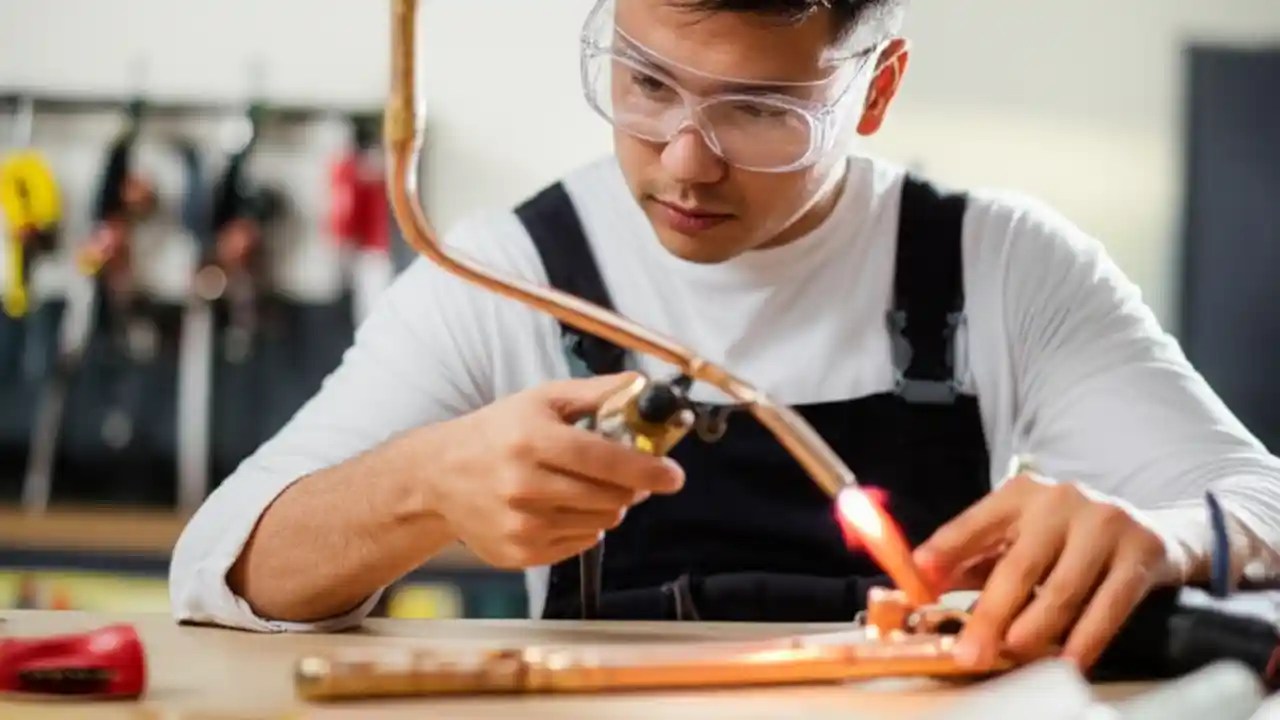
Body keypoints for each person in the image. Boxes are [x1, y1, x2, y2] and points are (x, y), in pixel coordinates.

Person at [170, 0, 1280, 673]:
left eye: (757, 111)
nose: (684, 158)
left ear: (875, 89)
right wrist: (420, 490)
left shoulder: (1001, 266)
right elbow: (215, 568)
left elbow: (1258, 500)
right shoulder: (503, 272)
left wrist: (1170, 536)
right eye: (645, 82)